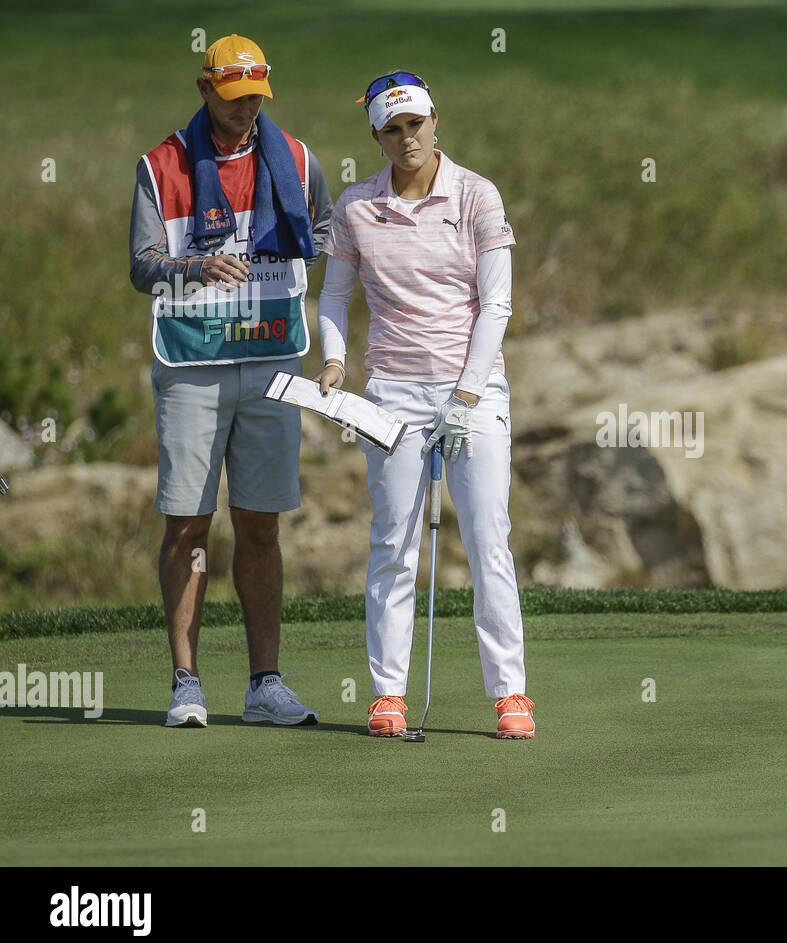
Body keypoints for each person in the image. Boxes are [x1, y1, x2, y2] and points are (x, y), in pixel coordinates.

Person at [315, 71, 534, 739]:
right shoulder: (357, 207)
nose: (407, 138)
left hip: (472, 392)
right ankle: (387, 696)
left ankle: (511, 695)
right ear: (376, 135)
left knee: (487, 539)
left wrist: (467, 394)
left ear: (435, 120)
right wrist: (332, 361)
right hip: (392, 395)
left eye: (416, 124)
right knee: (392, 544)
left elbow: (495, 303)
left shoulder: (476, 196)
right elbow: (332, 299)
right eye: (392, 128)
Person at [128, 34, 332, 728]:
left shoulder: (298, 159)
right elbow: (142, 264)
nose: (245, 110)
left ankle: (264, 685)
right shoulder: (161, 165)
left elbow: (330, 234)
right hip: (191, 365)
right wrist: (193, 269)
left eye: (255, 99)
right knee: (188, 524)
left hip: (272, 360)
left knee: (260, 525)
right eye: (233, 96)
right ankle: (187, 683)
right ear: (204, 88)